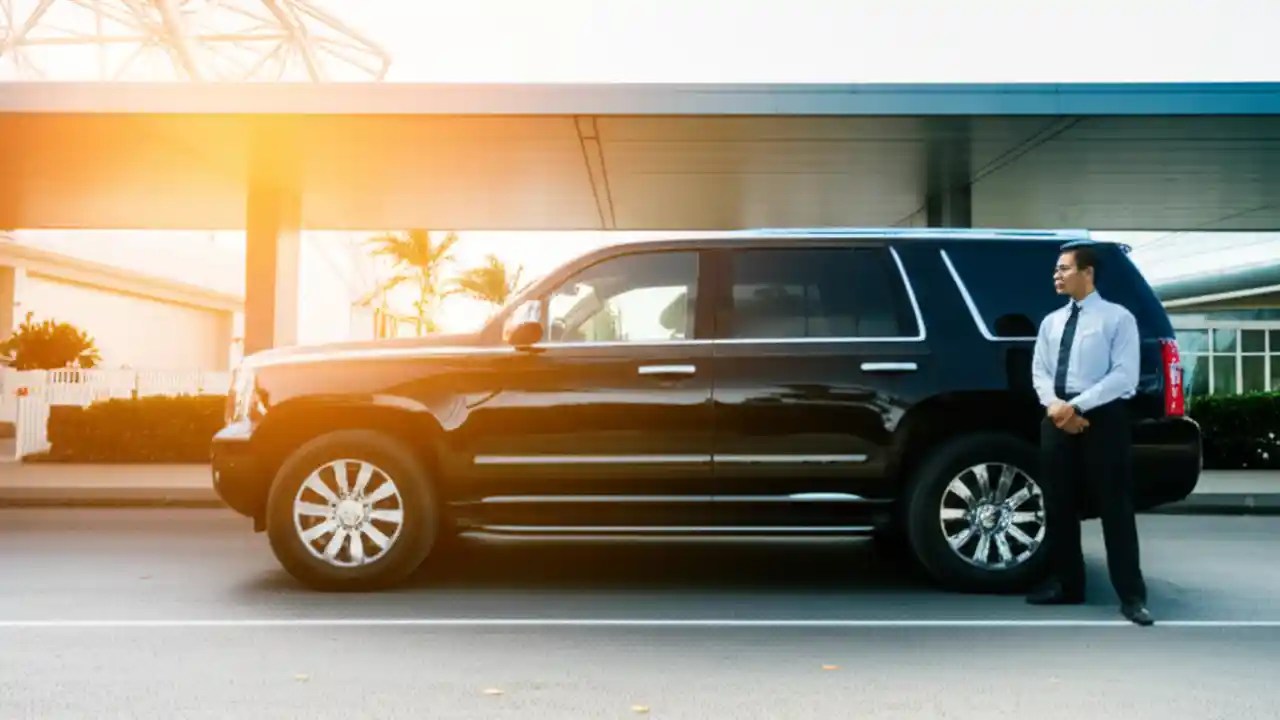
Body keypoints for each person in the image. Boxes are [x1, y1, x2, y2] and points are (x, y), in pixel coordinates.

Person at [1027, 242, 1154, 627]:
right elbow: (1040, 372)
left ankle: (1132, 597)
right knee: (1059, 505)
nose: (1057, 275)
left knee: (1114, 508)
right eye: (1056, 270)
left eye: (1064, 269)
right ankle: (1067, 585)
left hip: (1103, 419)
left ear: (1088, 273)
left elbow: (1123, 376)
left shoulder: (1117, 318)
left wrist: (1078, 406)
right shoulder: (1051, 322)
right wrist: (1055, 407)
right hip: (1058, 419)